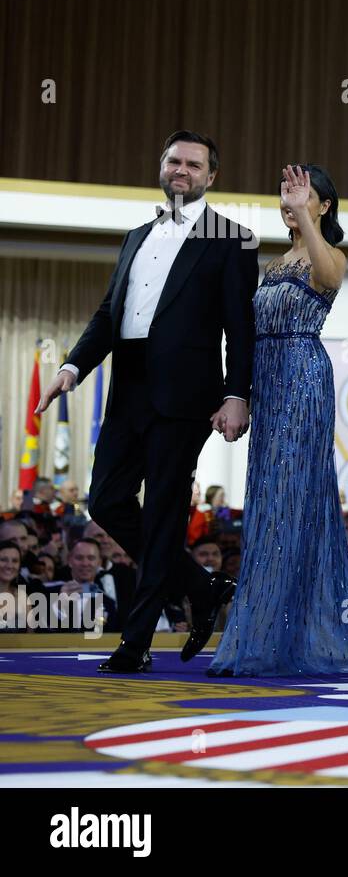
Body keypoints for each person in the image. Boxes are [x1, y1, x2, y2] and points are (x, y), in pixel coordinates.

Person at [36, 130, 256, 674]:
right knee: (106, 502)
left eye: (194, 164)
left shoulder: (234, 239)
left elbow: (240, 328)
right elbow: (109, 313)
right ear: (162, 167)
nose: (182, 170)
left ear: (211, 177)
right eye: (174, 160)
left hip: (186, 397)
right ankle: (202, 587)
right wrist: (71, 367)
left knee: (161, 516)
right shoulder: (137, 234)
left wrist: (237, 394)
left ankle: (134, 645)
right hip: (127, 387)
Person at [208, 164, 348, 675]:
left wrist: (306, 220)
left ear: (325, 205)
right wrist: (238, 394)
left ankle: (270, 642)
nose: (287, 199)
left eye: (301, 192)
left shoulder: (328, 253)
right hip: (267, 383)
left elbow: (330, 278)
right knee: (271, 503)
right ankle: (269, 637)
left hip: (303, 378)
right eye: (283, 193)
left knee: (295, 501)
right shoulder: (271, 264)